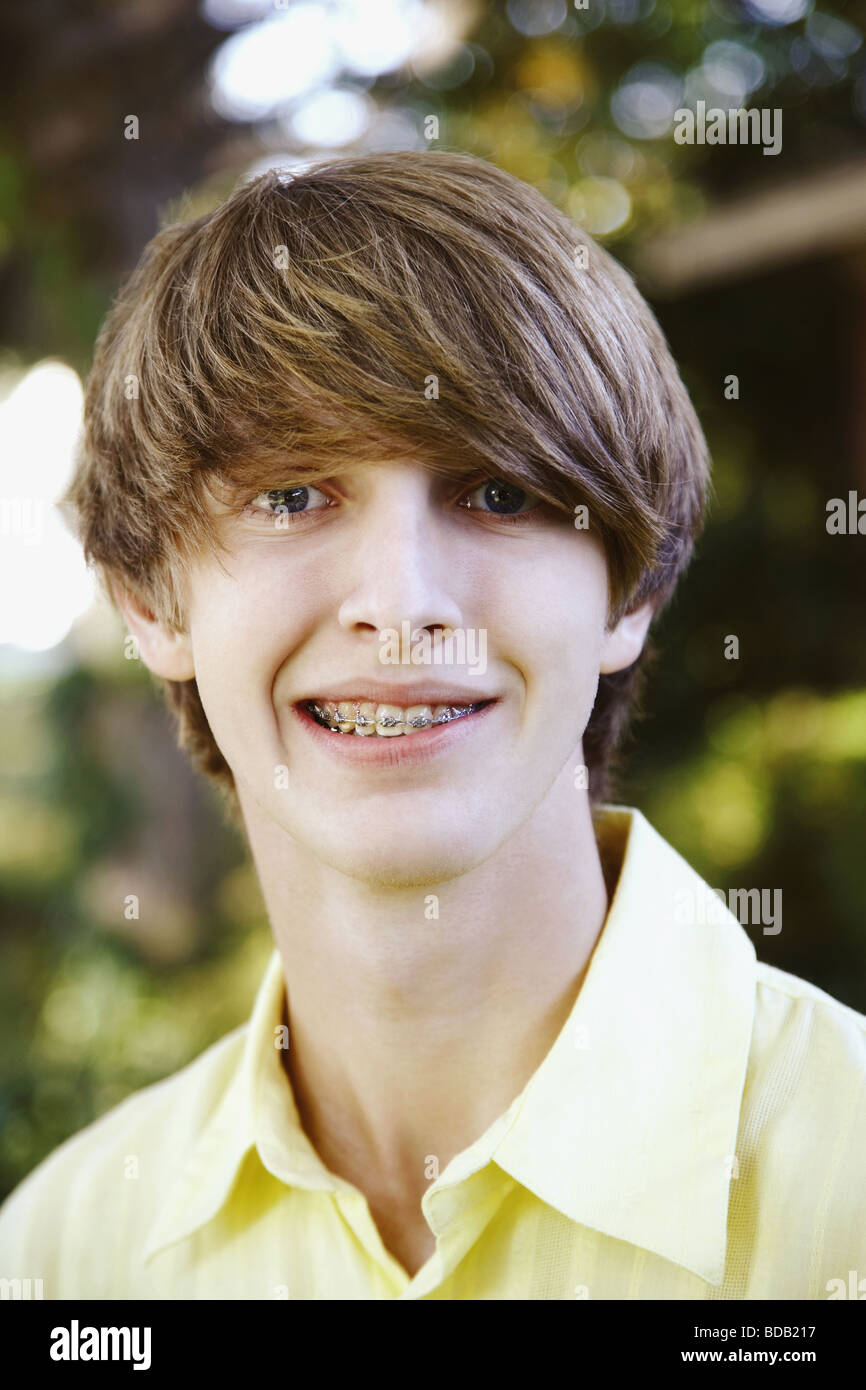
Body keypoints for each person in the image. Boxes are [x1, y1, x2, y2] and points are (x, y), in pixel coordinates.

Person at [1, 150, 863, 1300]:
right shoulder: (65, 1257)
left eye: (497, 491)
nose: (402, 605)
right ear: (151, 604)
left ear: (633, 590)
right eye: (290, 496)